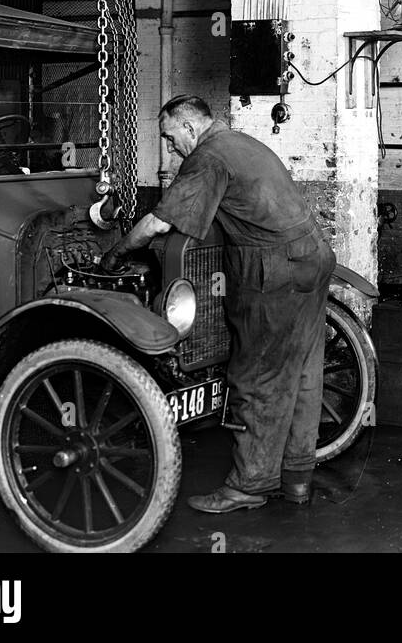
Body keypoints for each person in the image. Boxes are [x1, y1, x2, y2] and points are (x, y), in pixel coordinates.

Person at [100, 94, 336, 514]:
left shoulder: (208, 157)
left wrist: (116, 253)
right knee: (301, 369)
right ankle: (296, 479)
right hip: (312, 257)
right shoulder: (242, 143)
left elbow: (159, 222)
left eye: (170, 137)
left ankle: (249, 485)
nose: (169, 147)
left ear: (190, 127)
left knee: (256, 375)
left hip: (274, 268)